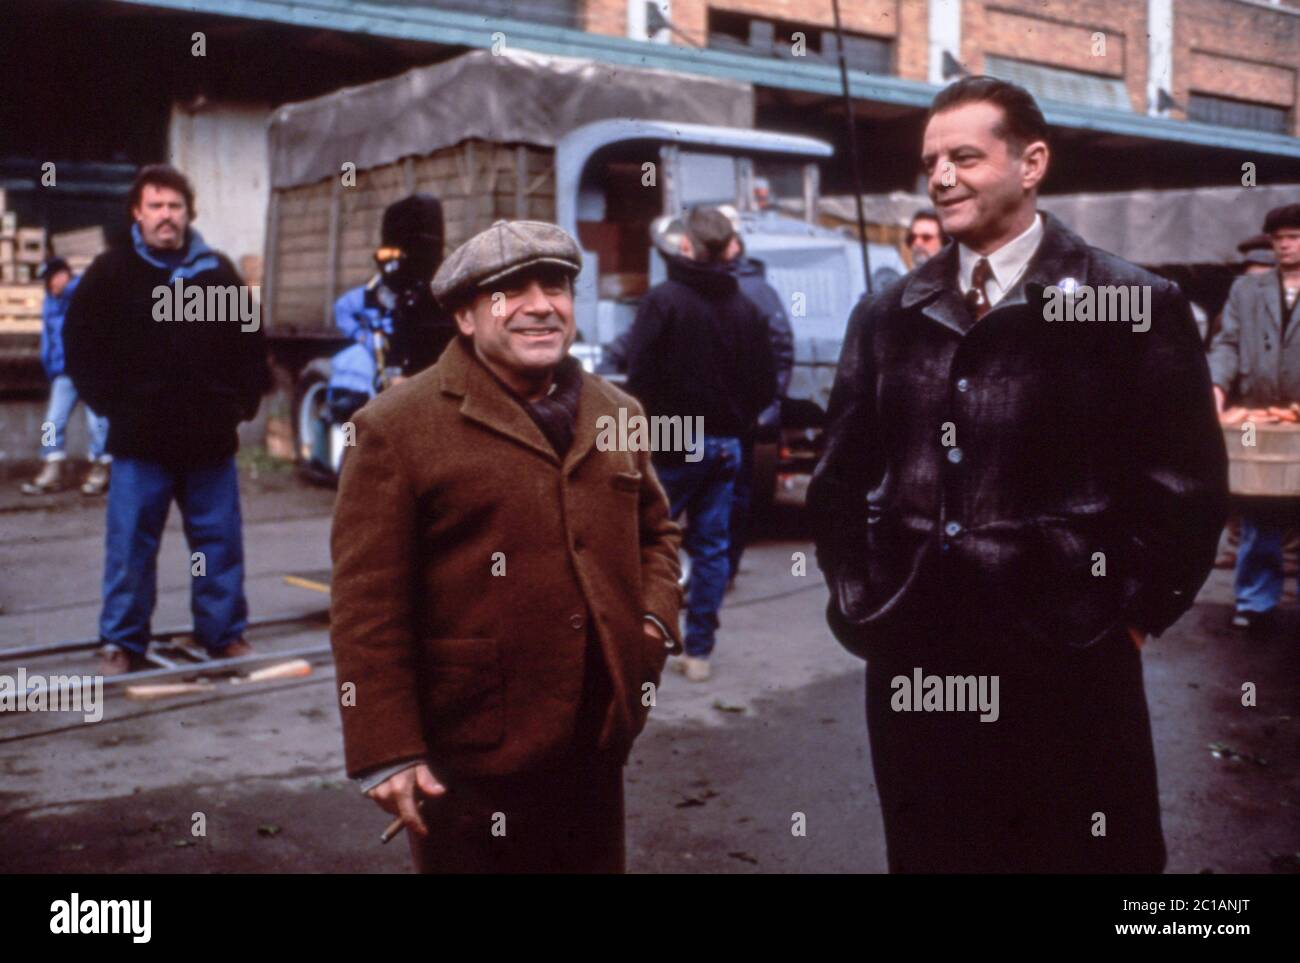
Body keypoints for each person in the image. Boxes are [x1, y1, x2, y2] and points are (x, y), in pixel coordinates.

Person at [807, 76, 1227, 872]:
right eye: (931, 160)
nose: (940, 177)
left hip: (1068, 661)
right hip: (919, 659)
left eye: (965, 156)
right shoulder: (887, 313)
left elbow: (1185, 486)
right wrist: (862, 598)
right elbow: (838, 478)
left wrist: (1130, 617)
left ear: (1032, 163)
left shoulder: (1129, 303)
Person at [329, 219, 683, 873]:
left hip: (596, 743)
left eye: (555, 285)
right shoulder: (394, 429)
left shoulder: (617, 412)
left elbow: (657, 534)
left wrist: (653, 624)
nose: (540, 305)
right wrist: (387, 746)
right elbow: (366, 602)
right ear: (465, 314)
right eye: (509, 291)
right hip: (468, 755)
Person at [63, 164, 271, 675]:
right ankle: (122, 643)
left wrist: (241, 405)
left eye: (175, 206)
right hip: (141, 441)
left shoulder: (216, 272)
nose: (166, 216)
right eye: (155, 205)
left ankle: (223, 635)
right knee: (131, 546)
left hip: (208, 442)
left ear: (188, 213)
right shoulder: (112, 274)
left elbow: (250, 345)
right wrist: (111, 404)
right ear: (137, 212)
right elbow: (80, 345)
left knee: (219, 544)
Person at [625, 206, 776, 682]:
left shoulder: (662, 301)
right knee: (711, 548)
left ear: (686, 245)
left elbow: (637, 376)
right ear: (729, 247)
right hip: (728, 441)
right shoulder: (748, 309)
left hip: (673, 435)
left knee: (646, 541)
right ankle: (699, 653)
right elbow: (765, 386)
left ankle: (644, 639)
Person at [1208, 203, 1300, 634]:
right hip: (1258, 420)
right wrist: (1217, 388)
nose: (1285, 244)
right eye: (1278, 237)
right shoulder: (1247, 291)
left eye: (1294, 236)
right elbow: (1226, 344)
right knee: (1259, 508)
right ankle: (1255, 600)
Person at [722, 219, 794, 583]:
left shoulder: (755, 291)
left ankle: (720, 569)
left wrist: (770, 403)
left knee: (730, 490)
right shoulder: (690, 288)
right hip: (708, 417)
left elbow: (780, 346)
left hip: (733, 418)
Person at [22, 257, 111, 496]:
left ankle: (102, 466)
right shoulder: (50, 302)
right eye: (46, 281)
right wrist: (50, 365)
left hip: (92, 370)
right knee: (52, 421)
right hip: (64, 372)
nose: (50, 285)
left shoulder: (87, 293)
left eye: (52, 278)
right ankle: (51, 465)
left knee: (98, 422)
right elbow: (48, 339)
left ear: (64, 274)